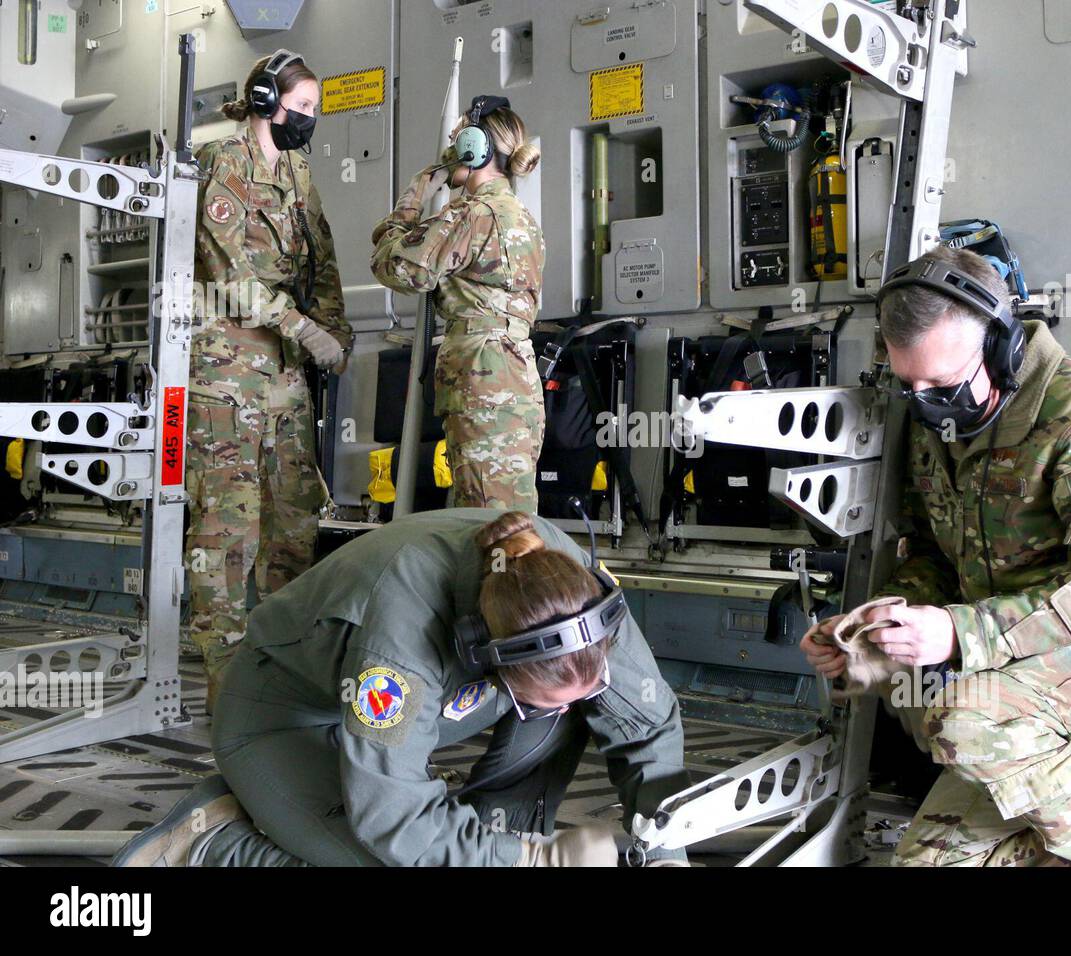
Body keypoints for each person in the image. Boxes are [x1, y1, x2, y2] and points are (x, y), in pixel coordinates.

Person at [802, 245, 1071, 866]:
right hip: (1028, 666)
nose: (928, 406)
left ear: (1003, 349)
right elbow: (934, 551)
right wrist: (878, 634)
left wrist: (960, 631)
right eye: (911, 386)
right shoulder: (939, 422)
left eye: (943, 385)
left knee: (965, 716)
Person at [114, 509, 691, 867]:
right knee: (397, 861)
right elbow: (393, 818)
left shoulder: (564, 586)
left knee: (565, 704)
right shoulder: (400, 641)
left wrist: (665, 848)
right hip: (286, 717)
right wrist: (532, 863)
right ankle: (213, 843)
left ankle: (497, 840)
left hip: (441, 704)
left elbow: (647, 720)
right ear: (480, 650)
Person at [187, 49, 352, 710]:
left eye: (314, 111)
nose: (308, 120)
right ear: (264, 99)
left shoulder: (298, 172)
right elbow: (229, 273)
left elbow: (323, 257)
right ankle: (227, 684)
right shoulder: (225, 164)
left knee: (295, 522)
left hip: (284, 380)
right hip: (226, 375)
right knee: (229, 530)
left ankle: (285, 672)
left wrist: (335, 329)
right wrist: (302, 328)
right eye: (301, 106)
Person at [370, 96, 545, 512]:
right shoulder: (520, 216)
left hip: (483, 380)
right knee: (505, 516)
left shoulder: (472, 215)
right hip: (511, 375)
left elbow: (392, 264)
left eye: (457, 138)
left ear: (474, 147)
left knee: (491, 523)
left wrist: (415, 194)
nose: (449, 149)